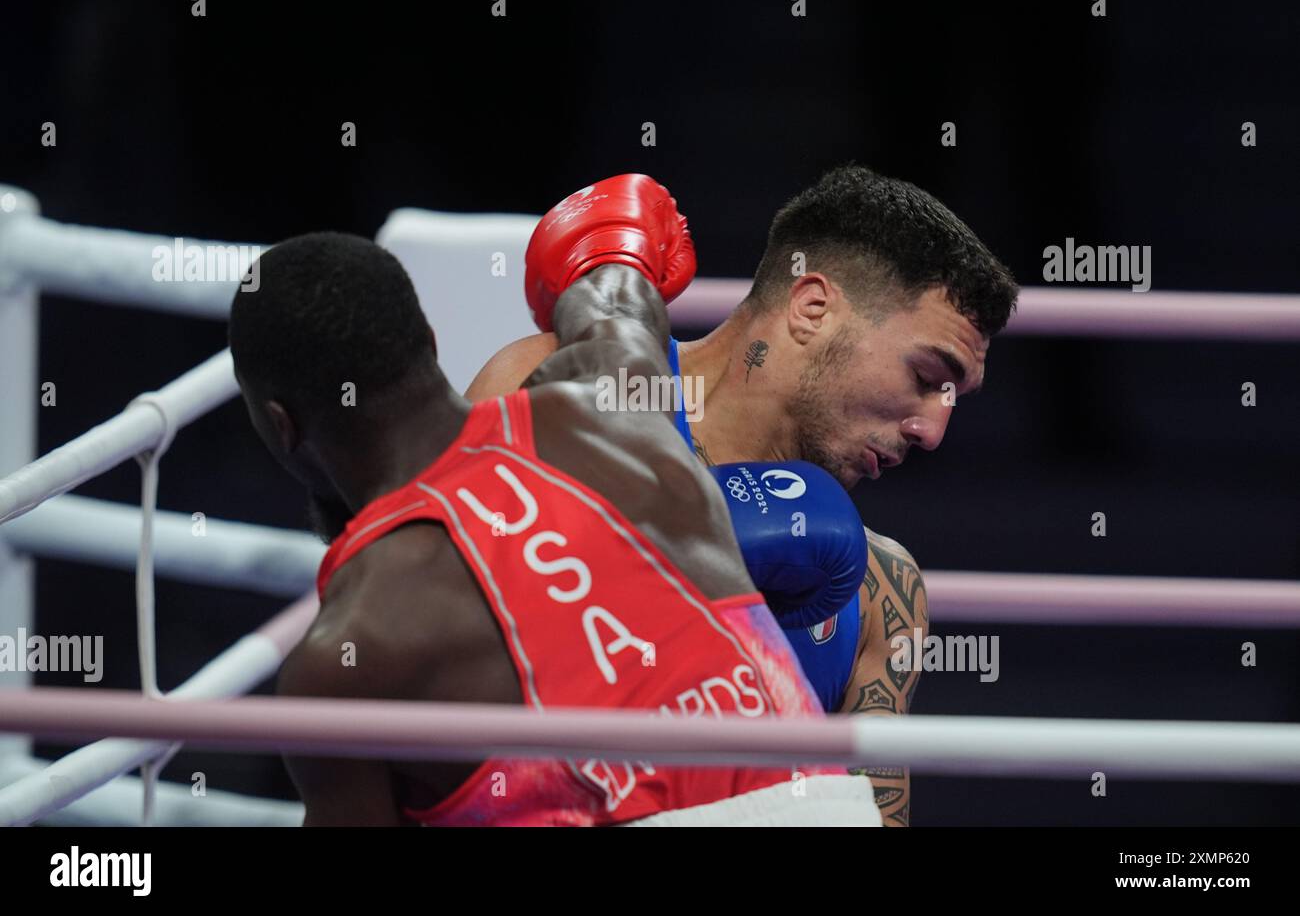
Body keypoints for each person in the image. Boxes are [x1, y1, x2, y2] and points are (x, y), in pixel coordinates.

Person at [227, 181, 875, 825]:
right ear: (428, 339)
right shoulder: (613, 406)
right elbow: (616, 287)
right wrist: (607, 249)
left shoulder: (346, 651)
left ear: (282, 426)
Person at [466, 165, 1020, 826]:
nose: (932, 430)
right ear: (812, 308)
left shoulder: (884, 594)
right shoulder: (557, 390)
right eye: (927, 375)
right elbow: (427, 647)